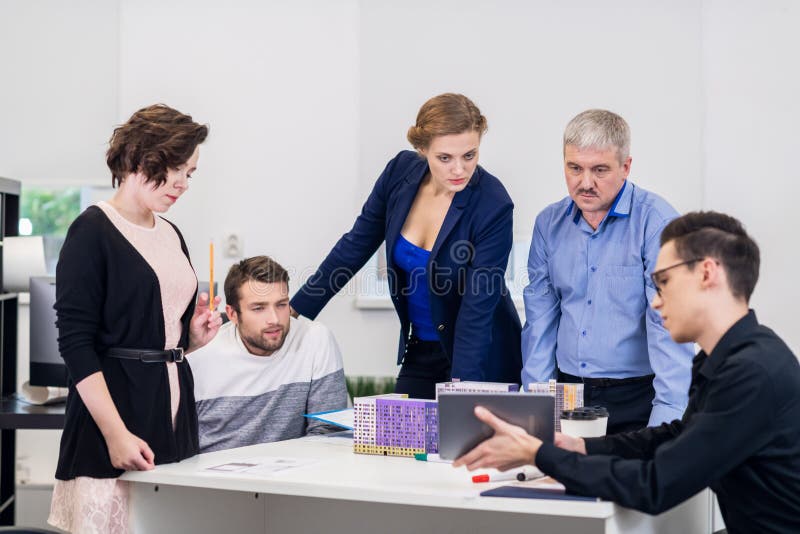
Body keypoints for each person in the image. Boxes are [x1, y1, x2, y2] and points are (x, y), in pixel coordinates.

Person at [455, 211, 800, 533]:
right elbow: (679, 436)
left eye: (663, 281)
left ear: (707, 273)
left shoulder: (752, 374)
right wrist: (580, 447)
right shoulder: (728, 359)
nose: (655, 300)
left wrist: (538, 454)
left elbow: (656, 485)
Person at [48, 104, 222, 533]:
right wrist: (115, 434)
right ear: (138, 159)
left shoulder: (170, 232)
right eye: (175, 168)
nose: (183, 183)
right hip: (117, 416)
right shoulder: (92, 231)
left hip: (173, 414)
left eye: (190, 172)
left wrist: (192, 337)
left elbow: (159, 326)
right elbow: (75, 343)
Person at [290, 93, 521, 399]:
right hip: (421, 349)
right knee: (398, 444)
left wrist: (463, 394)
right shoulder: (400, 173)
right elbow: (355, 245)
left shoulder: (493, 204)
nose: (459, 170)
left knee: (461, 444)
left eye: (469, 155)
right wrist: (293, 310)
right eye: (445, 158)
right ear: (422, 149)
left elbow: (476, 310)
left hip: (481, 359)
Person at [521, 109, 693, 433]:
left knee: (629, 482)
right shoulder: (548, 224)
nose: (585, 182)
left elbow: (670, 330)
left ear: (626, 167)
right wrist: (536, 413)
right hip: (568, 395)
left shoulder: (657, 224)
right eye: (575, 168)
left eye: (600, 169)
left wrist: (664, 430)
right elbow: (540, 323)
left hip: (637, 398)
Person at [190, 256, 348, 452]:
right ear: (232, 315)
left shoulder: (315, 340)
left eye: (281, 305)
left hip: (290, 476)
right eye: (258, 308)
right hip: (209, 478)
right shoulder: (199, 354)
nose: (274, 319)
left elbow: (329, 435)